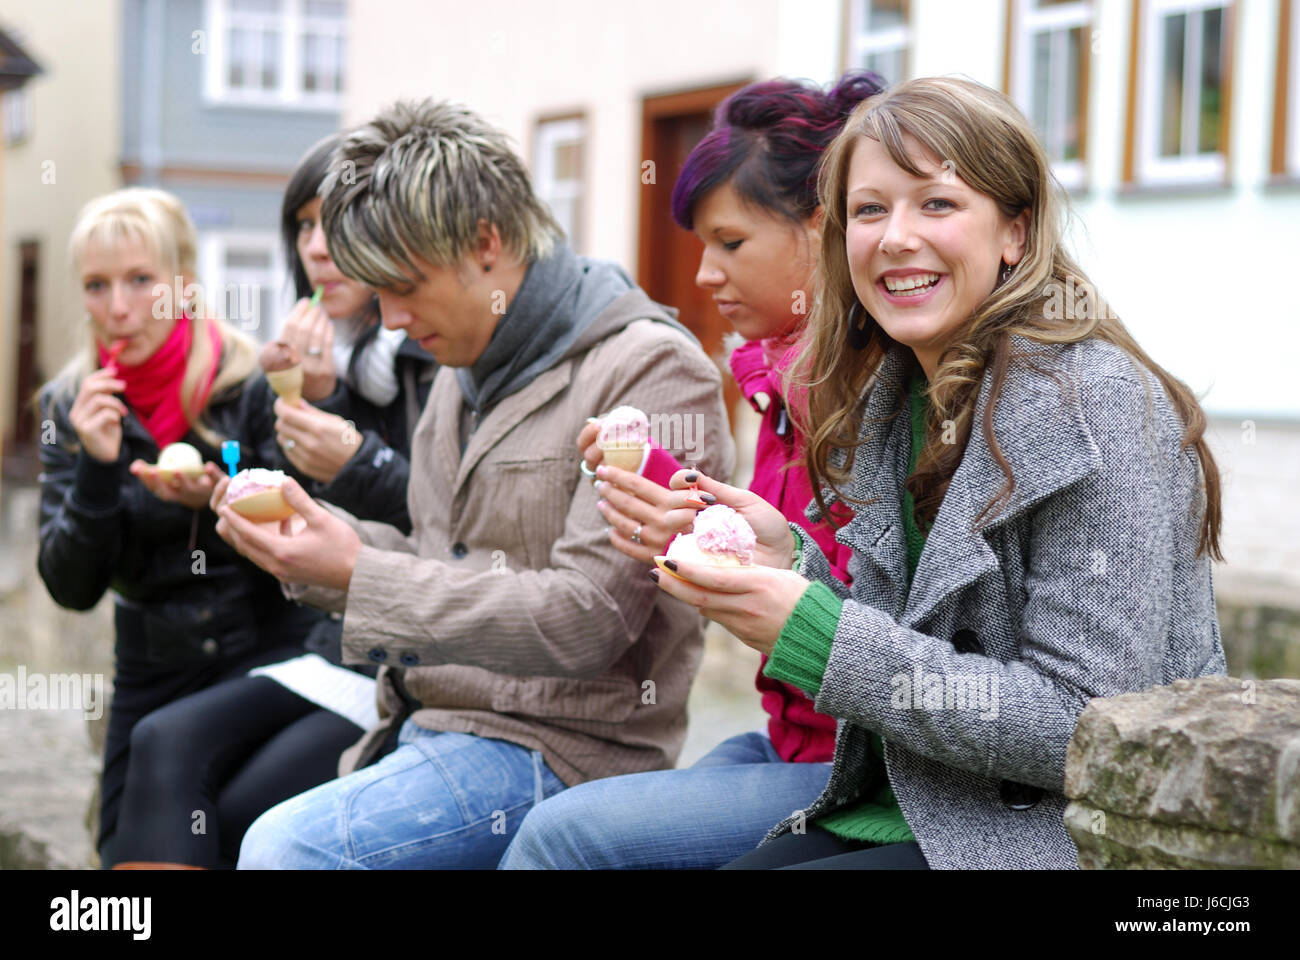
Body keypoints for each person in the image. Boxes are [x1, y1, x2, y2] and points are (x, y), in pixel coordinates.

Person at [596, 76, 1227, 870]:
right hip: (922, 797)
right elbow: (914, 633)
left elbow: (1085, 724)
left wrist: (815, 636)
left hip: (1063, 834)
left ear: (1015, 234)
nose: (895, 237)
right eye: (869, 209)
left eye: (936, 203)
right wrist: (789, 562)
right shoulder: (901, 393)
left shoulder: (1097, 407)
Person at [211, 97, 734, 869]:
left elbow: (588, 617)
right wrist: (318, 540)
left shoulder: (649, 369)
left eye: (404, 285)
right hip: (432, 724)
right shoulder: (464, 365)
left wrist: (356, 573)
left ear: (485, 242)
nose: (388, 319)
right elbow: (435, 552)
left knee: (284, 848)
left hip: (559, 752)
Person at [500, 71, 886, 870]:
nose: (706, 275)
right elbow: (787, 548)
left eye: (732, 243)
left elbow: (873, 612)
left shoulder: (874, 393)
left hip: (864, 768)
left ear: (822, 228)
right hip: (792, 741)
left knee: (560, 835)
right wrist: (670, 489)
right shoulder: (779, 383)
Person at [103, 136, 442, 869]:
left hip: (415, 657)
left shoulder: (434, 357)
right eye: (303, 226)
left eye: (338, 224)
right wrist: (230, 489)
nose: (319, 249)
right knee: (158, 742)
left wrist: (337, 410)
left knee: (231, 813)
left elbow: (443, 520)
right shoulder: (298, 364)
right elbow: (296, 516)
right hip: (331, 648)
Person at [35, 187, 324, 869]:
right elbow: (70, 587)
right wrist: (97, 472)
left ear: (184, 286)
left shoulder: (249, 383)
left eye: (141, 280)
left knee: (220, 831)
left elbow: (308, 552)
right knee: (121, 856)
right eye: (97, 285)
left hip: (261, 656)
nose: (118, 307)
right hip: (148, 671)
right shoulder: (71, 405)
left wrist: (226, 502)